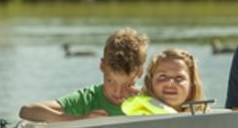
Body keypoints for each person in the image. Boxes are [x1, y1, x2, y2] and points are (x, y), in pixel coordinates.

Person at [19, 27, 149, 122]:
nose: (118, 92)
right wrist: (80, 119)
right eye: (110, 81)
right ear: (102, 66)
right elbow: (27, 110)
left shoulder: (147, 99)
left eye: (127, 84)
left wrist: (149, 101)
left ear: (139, 73)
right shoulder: (87, 99)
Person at [145, 47, 206, 112]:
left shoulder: (208, 119)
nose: (170, 82)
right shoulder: (136, 115)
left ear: (192, 84)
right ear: (150, 82)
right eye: (162, 76)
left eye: (179, 78)